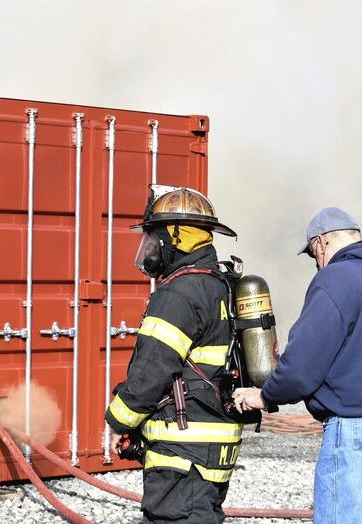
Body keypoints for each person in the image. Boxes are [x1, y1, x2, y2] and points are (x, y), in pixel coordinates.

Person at [232, 206, 362, 524]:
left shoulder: (336, 278)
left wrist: (266, 395)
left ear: (322, 243)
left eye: (313, 256)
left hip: (360, 423)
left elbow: (304, 360)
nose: (317, 265)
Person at [105, 185, 257, 524]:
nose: (149, 248)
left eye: (154, 237)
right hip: (211, 446)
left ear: (175, 237)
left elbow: (151, 369)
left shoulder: (178, 293)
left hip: (182, 450)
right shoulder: (219, 283)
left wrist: (118, 420)